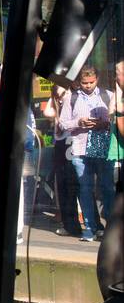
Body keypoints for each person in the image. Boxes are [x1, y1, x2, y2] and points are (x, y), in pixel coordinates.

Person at [58, 66, 115, 242]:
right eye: (84, 83)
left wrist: (104, 124)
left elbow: (116, 121)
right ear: (79, 82)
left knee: (107, 188)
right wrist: (79, 122)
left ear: (97, 79)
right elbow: (62, 123)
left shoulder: (108, 96)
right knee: (85, 189)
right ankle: (90, 228)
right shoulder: (72, 98)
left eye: (91, 82)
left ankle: (112, 227)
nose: (88, 86)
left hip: (103, 148)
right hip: (80, 148)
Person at [44, 85, 82, 237]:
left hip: (72, 144)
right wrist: (55, 99)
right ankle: (70, 224)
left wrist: (67, 97)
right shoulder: (58, 106)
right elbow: (47, 111)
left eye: (64, 93)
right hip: (61, 145)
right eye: (58, 96)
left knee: (74, 184)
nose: (62, 98)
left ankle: (85, 221)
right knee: (63, 185)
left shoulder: (75, 102)